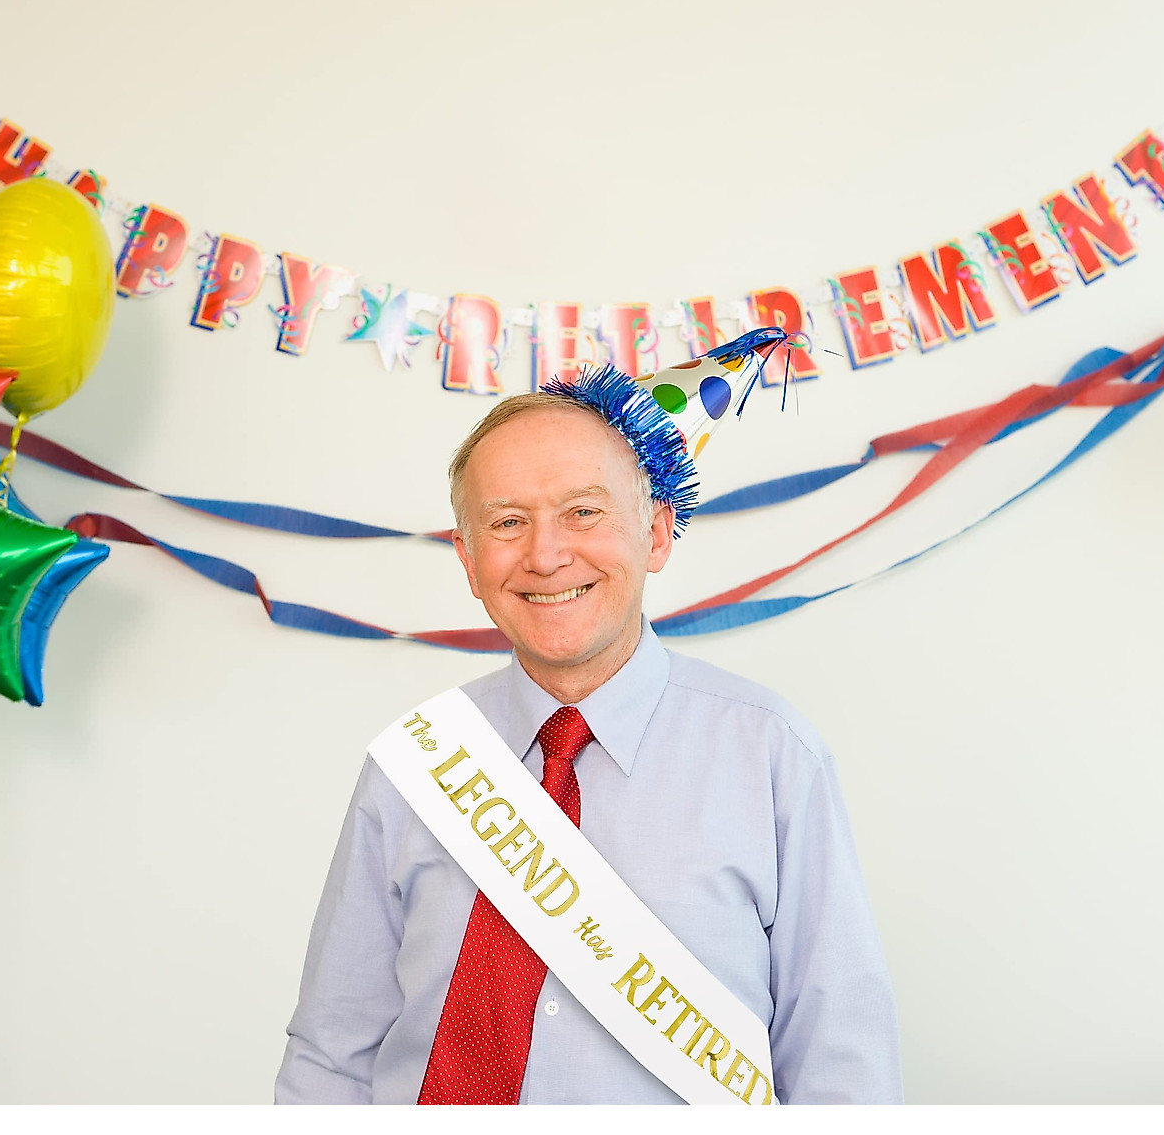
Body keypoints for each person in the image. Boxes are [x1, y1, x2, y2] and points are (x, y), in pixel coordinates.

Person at [275, 339, 903, 1105]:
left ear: (659, 532)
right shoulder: (411, 769)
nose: (545, 555)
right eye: (507, 522)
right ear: (468, 561)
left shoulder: (772, 756)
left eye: (583, 512)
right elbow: (332, 1055)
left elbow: (842, 1064)